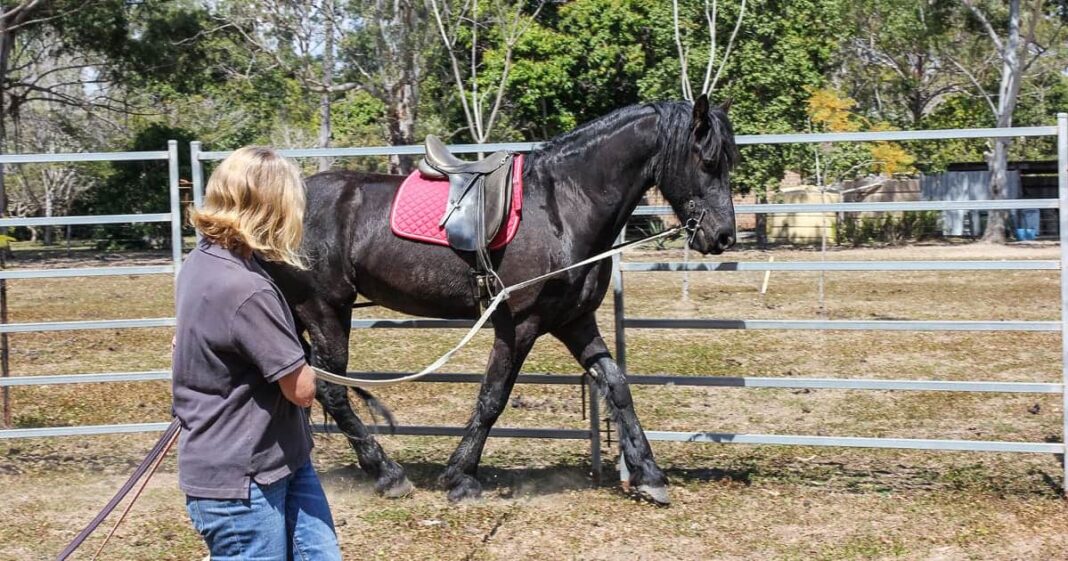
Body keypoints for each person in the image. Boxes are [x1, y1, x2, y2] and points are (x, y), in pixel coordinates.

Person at [171, 146, 342, 561]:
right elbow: (300, 390)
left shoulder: (202, 262)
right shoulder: (247, 289)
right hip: (242, 480)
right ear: (272, 209)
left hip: (279, 457)